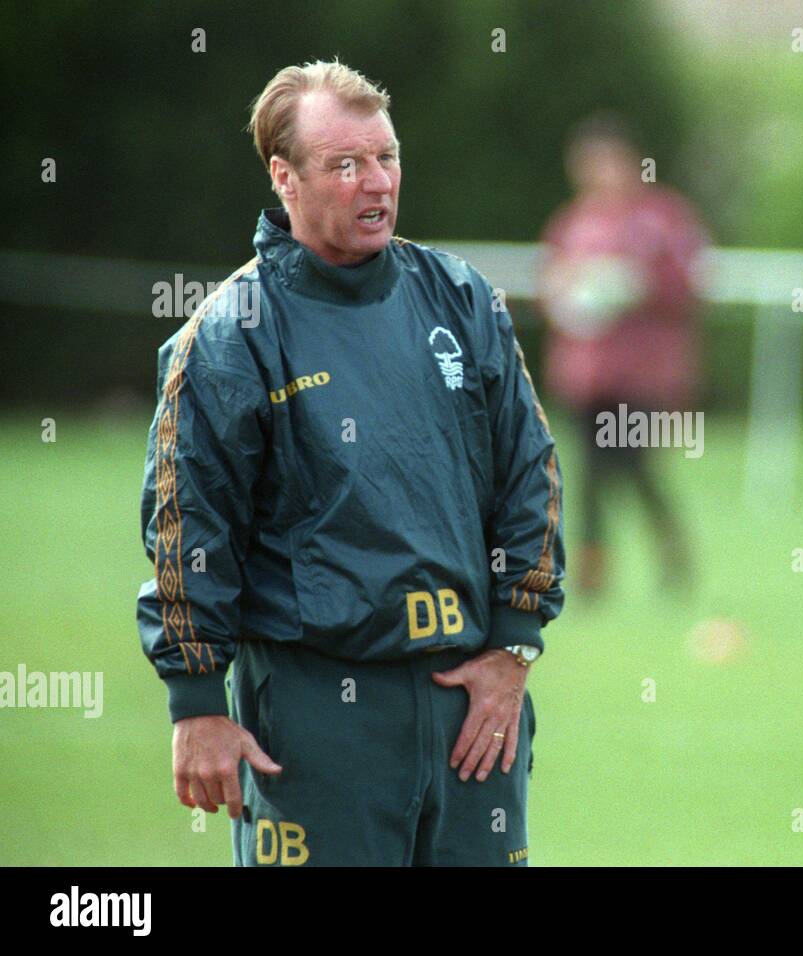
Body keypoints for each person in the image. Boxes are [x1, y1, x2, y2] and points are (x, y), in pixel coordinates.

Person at [136, 60, 564, 866]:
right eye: (346, 164)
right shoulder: (231, 335)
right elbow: (188, 527)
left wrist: (514, 647)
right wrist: (196, 704)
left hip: (472, 711)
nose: (378, 181)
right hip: (315, 715)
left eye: (387, 157)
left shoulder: (462, 299)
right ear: (284, 176)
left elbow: (530, 474)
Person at [538, 113, 708, 595]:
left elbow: (688, 287)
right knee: (588, 472)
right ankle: (595, 570)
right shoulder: (572, 223)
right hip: (588, 374)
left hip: (645, 375)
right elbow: (554, 289)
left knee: (635, 466)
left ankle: (669, 550)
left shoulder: (663, 217)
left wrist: (637, 285)